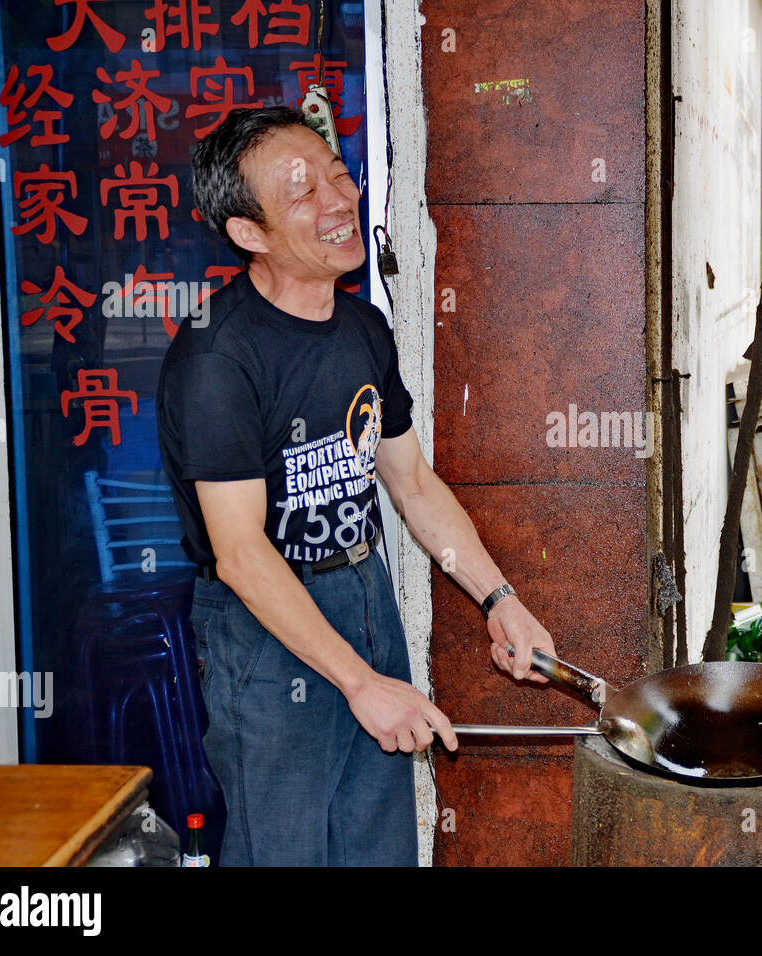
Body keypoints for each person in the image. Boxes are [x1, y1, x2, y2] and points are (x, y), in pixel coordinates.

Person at [157, 106, 556, 865]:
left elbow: (411, 482)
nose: (339, 200)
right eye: (302, 191)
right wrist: (358, 682)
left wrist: (501, 601)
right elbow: (240, 554)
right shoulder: (218, 359)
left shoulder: (363, 327)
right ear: (249, 232)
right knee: (285, 853)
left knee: (378, 847)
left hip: (364, 597)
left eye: (337, 173)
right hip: (267, 629)